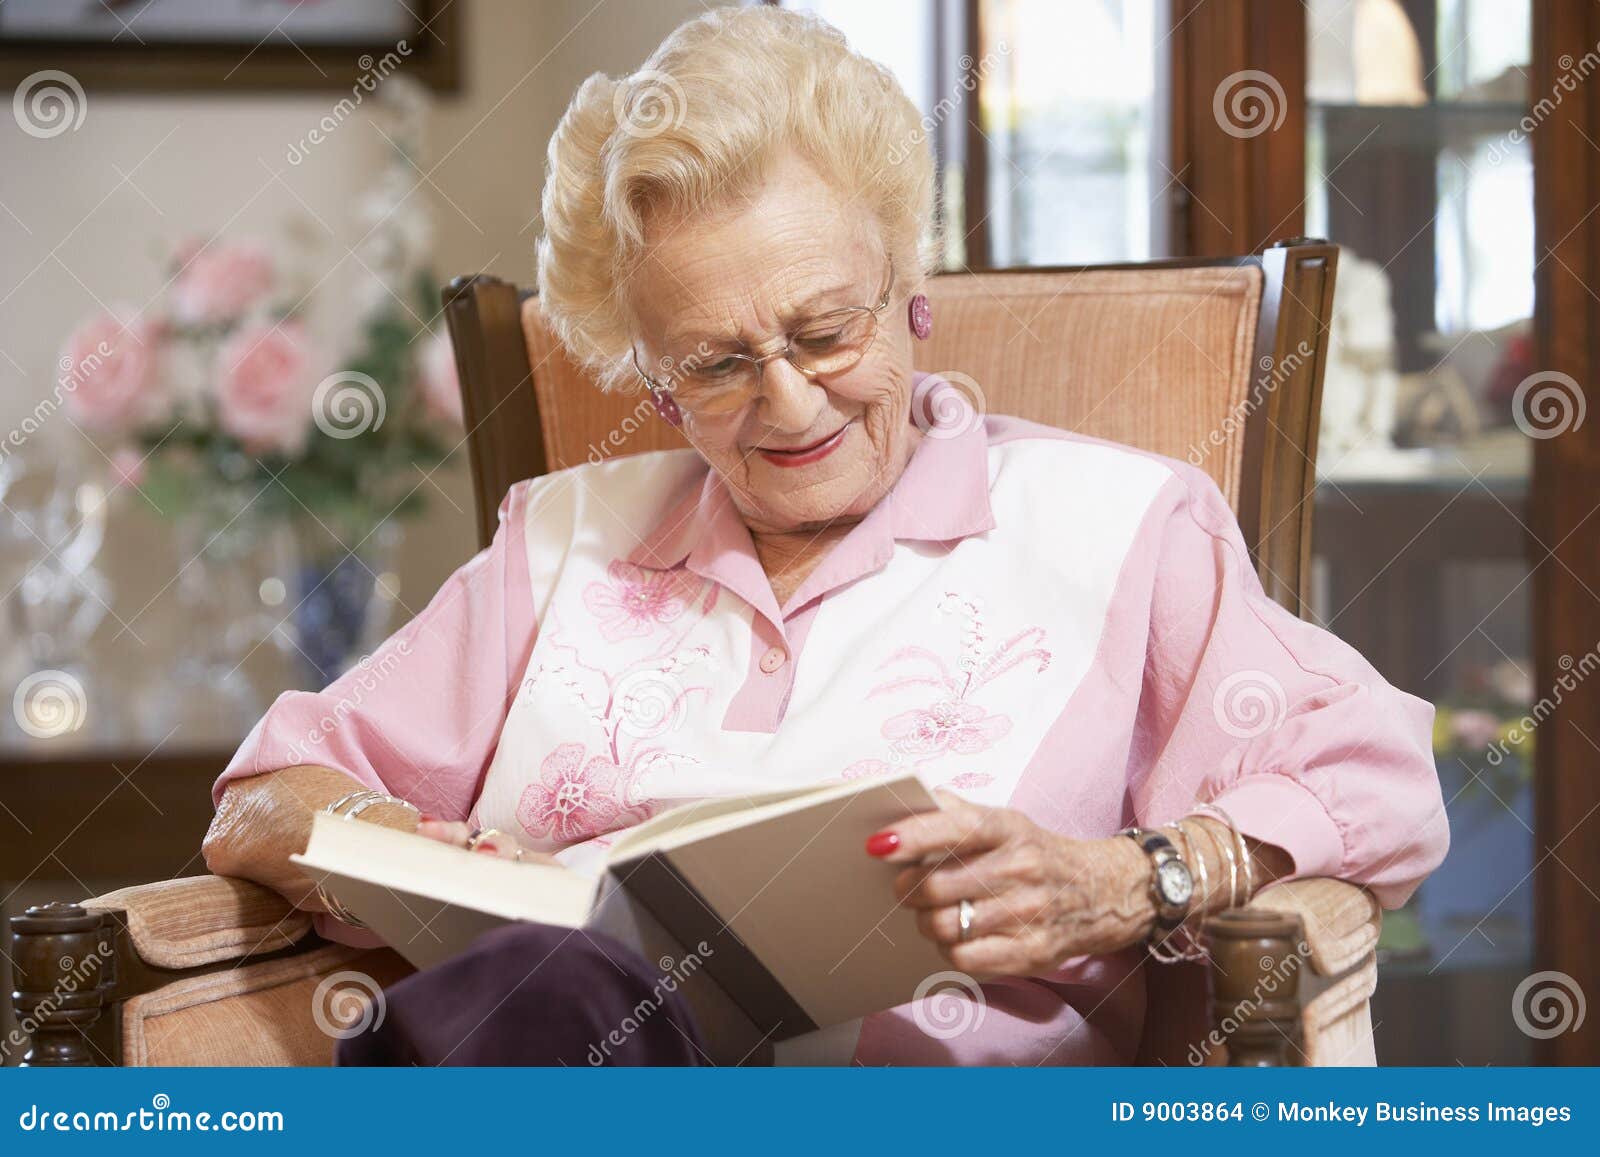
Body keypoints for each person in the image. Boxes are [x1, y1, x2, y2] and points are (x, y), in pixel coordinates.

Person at [204, 5, 1448, 1066]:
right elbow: (265, 793)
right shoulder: (562, 542)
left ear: (911, 285)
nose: (788, 402)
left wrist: (1129, 878)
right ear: (651, 381)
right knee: (552, 989)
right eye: (717, 362)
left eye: (823, 332)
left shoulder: (1117, 522)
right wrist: (401, 847)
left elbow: (1375, 775)